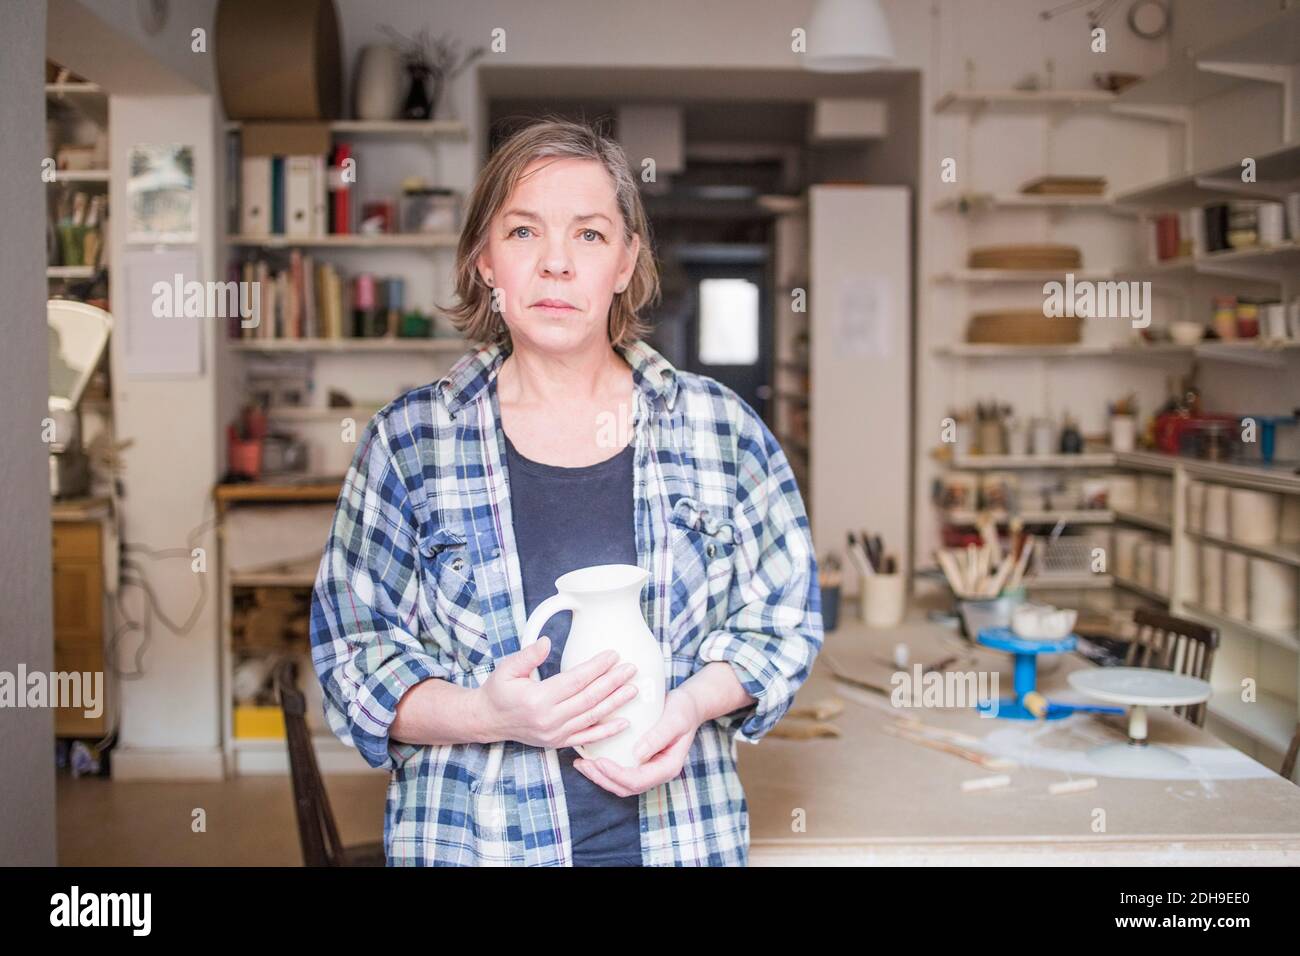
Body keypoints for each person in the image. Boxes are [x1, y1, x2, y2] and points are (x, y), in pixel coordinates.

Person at [309, 117, 822, 866]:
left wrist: (689, 705)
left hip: (680, 840)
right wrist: (484, 714)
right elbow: (353, 658)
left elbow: (783, 622)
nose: (555, 263)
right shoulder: (408, 443)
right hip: (472, 845)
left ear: (625, 261)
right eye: (522, 233)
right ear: (486, 259)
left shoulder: (722, 431)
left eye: (588, 234)